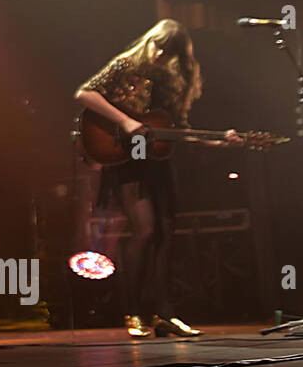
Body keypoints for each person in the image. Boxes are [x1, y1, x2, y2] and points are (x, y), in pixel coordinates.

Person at [75, 19, 241, 339]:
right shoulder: (125, 65)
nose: (160, 55)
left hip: (155, 162)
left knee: (165, 232)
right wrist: (125, 122)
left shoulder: (171, 80)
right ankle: (133, 312)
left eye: (169, 52)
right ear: (150, 40)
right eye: (158, 46)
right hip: (126, 160)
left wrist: (220, 140)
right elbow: (85, 94)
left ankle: (164, 314)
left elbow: (178, 129)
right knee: (146, 230)